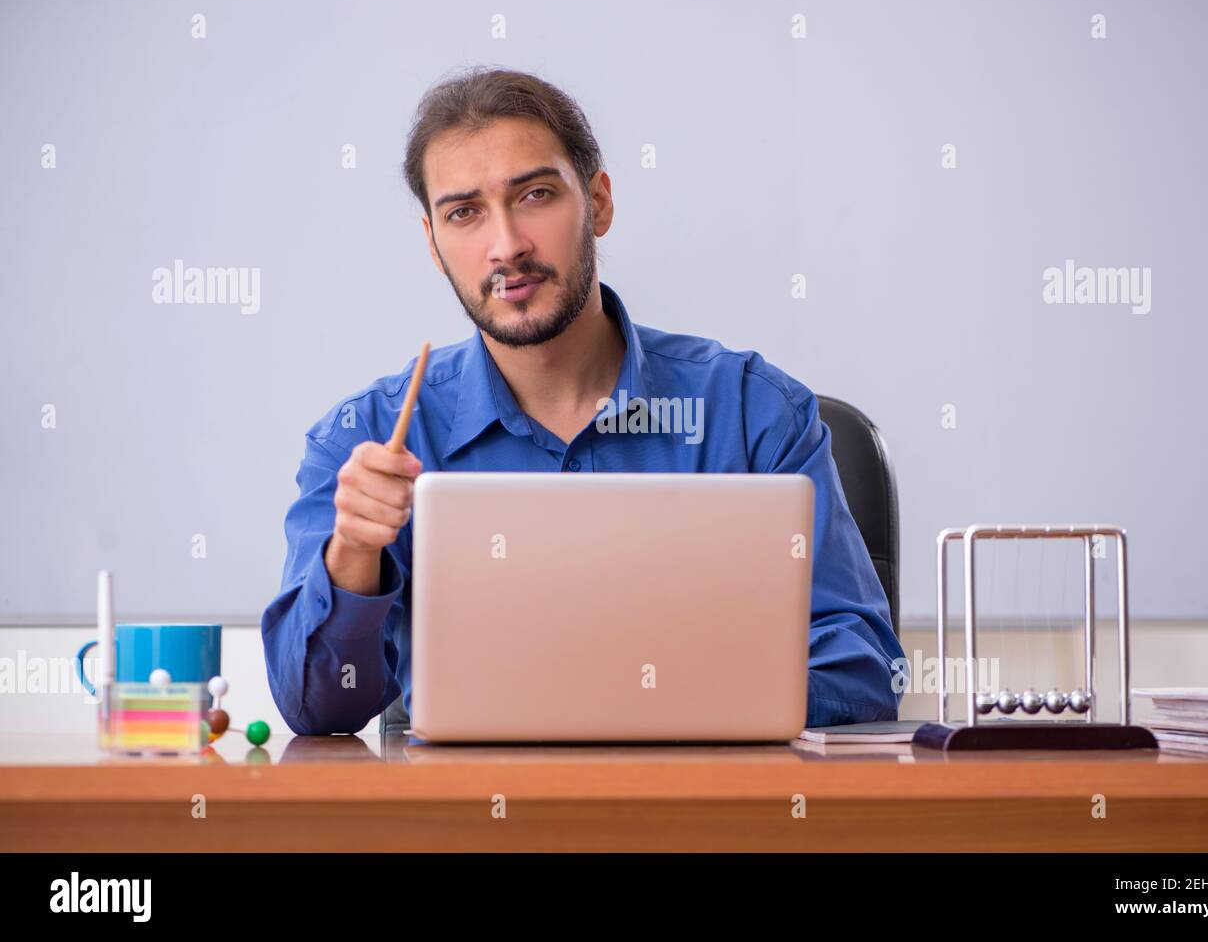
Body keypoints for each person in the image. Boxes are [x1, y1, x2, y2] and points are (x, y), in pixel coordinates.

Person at [261, 67, 907, 734]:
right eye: (464, 213)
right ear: (433, 242)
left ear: (597, 201)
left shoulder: (754, 412)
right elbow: (316, 709)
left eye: (536, 195)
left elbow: (865, 669)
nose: (506, 245)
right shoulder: (367, 438)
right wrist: (354, 555)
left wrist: (652, 704)